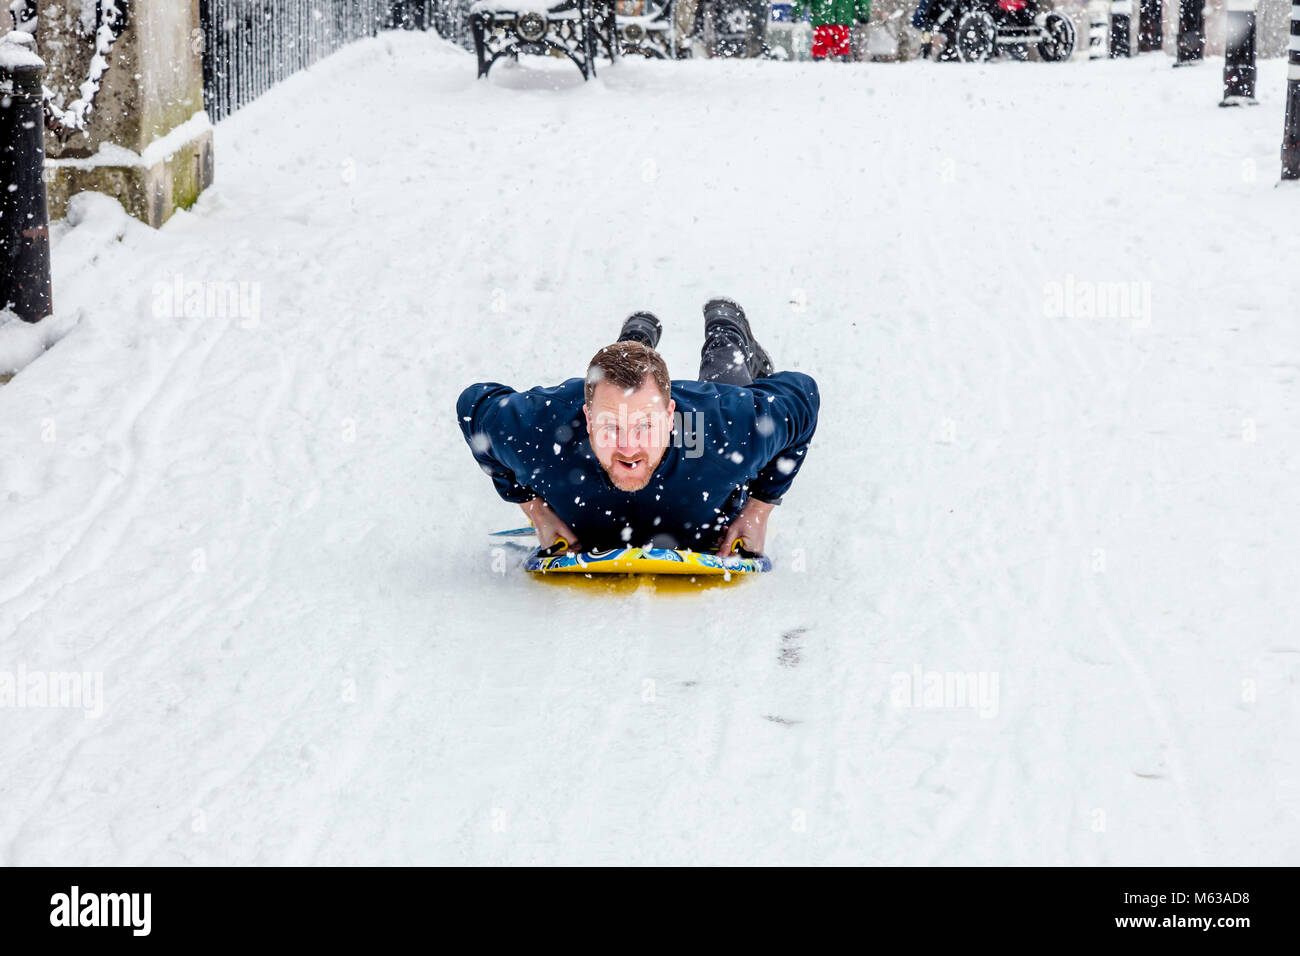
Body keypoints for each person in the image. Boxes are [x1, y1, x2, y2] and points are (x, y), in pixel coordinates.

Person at [457, 299, 820, 556]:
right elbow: (473, 406)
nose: (628, 448)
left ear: (669, 414)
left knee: (727, 378)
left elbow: (802, 395)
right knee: (621, 376)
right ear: (586, 417)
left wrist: (759, 508)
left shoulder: (724, 427)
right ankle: (636, 339)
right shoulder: (541, 431)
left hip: (703, 412)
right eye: (610, 427)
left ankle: (725, 324)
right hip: (615, 394)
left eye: (645, 427)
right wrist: (533, 508)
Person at [788, 0, 872, 62]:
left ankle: (836, 68)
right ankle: (825, 67)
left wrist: (797, 11)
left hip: (829, 18)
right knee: (831, 47)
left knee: (834, 48)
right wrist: (864, 12)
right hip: (831, 20)